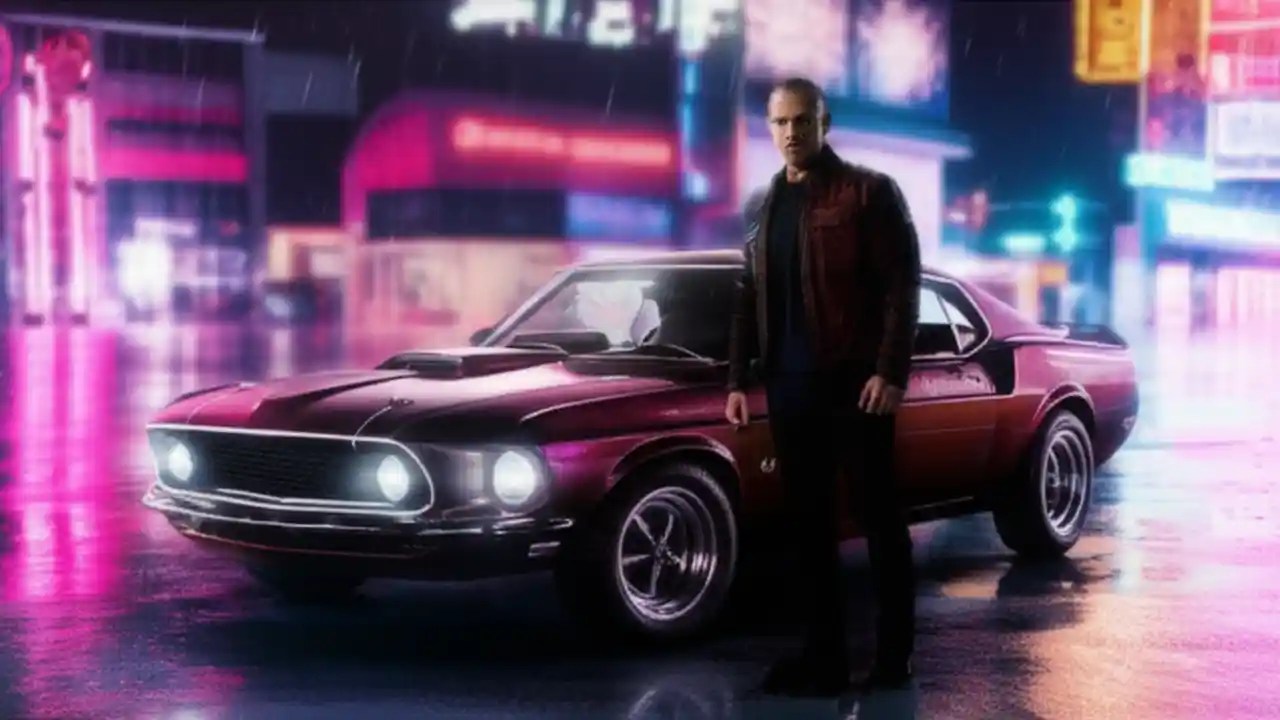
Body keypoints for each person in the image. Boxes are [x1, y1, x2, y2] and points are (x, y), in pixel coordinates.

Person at [725, 77, 921, 696]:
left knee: (878, 520)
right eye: (780, 123)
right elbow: (748, 295)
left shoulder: (867, 192)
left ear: (824, 122)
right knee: (808, 529)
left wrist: (889, 372)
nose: (791, 133)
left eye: (802, 121)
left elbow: (901, 287)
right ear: (770, 127)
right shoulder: (762, 205)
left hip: (854, 386)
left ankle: (894, 658)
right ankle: (825, 659)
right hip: (789, 388)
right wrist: (738, 377)